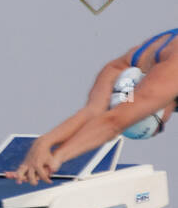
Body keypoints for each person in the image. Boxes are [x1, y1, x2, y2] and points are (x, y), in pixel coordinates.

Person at [10, 29, 178, 184]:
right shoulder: (122, 67)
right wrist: (44, 144)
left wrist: (57, 157)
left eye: (160, 125)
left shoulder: (167, 73)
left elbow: (113, 123)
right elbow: (95, 114)